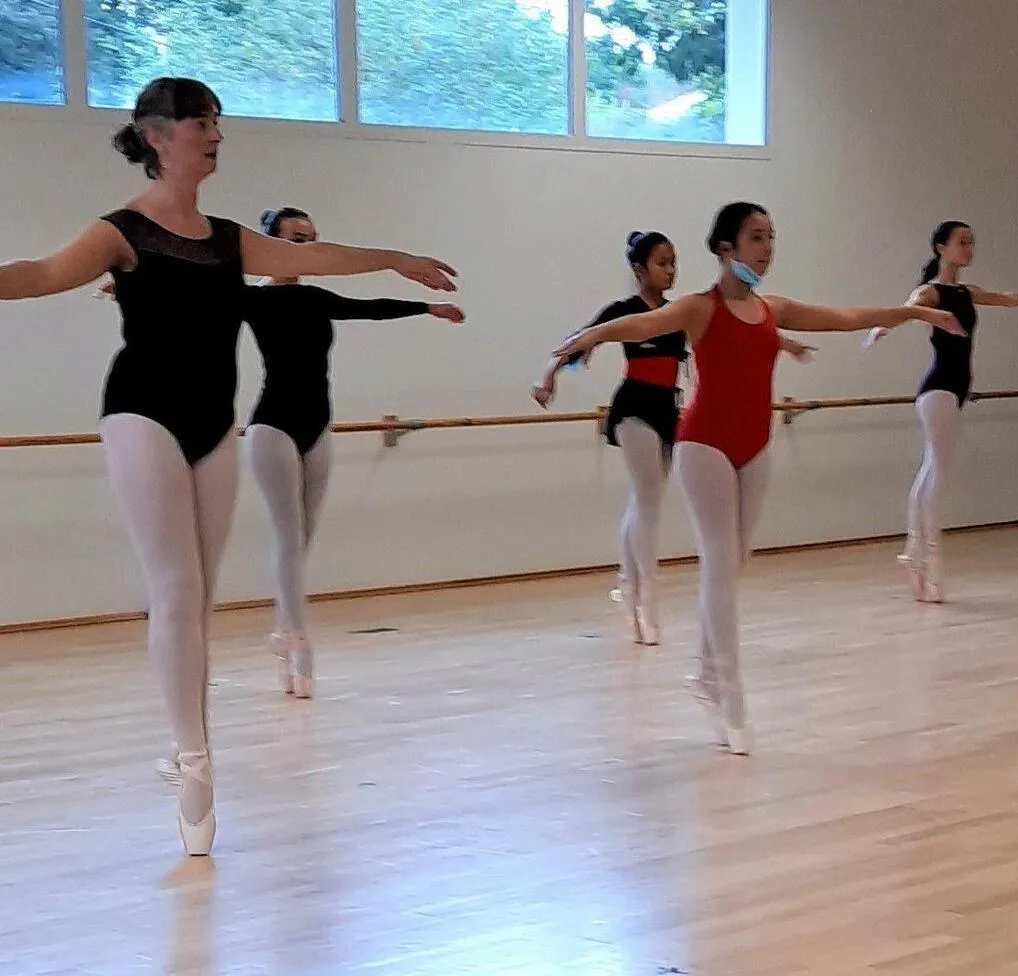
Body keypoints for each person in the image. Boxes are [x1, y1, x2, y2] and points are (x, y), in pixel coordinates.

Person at [0, 77, 458, 856]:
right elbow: (41, 275)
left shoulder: (229, 238)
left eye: (218, 121)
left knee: (200, 596)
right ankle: (195, 759)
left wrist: (398, 259)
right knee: (175, 586)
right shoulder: (120, 232)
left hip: (214, 423)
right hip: (139, 410)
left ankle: (191, 745)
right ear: (157, 135)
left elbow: (318, 257)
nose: (215, 133)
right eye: (201, 121)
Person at [552, 201, 962, 756]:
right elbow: (645, 323)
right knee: (720, 564)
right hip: (704, 445)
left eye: (771, 237)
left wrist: (912, 313)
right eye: (755, 237)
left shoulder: (774, 308)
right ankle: (732, 696)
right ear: (726, 248)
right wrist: (591, 335)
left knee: (734, 564)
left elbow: (844, 318)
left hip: (756, 445)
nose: (767, 248)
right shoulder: (700, 308)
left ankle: (705, 674)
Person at [244, 206, 464, 699]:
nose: (311, 247)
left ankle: (284, 632)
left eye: (316, 238)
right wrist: (126, 290)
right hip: (272, 427)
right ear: (272, 244)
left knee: (303, 540)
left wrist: (426, 309)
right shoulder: (251, 299)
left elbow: (368, 306)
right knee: (287, 537)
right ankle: (299, 643)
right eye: (298, 239)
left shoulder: (317, 295)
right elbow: (190, 296)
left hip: (317, 426)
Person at [532, 231, 685, 645]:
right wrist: (548, 376)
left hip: (668, 408)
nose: (670, 271)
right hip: (634, 406)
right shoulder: (624, 311)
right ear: (640, 270)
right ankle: (648, 595)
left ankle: (628, 583)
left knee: (644, 499)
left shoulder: (678, 315)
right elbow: (580, 342)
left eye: (673, 262)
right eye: (661, 263)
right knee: (648, 498)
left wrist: (783, 341)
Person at [865, 220, 1018, 603]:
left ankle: (917, 554)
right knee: (938, 474)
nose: (969, 249)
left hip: (953, 391)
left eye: (972, 242)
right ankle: (926, 558)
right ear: (941, 248)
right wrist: (879, 330)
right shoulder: (930, 292)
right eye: (961, 242)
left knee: (932, 471)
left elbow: (1008, 298)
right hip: (938, 389)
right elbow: (904, 311)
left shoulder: (967, 292)